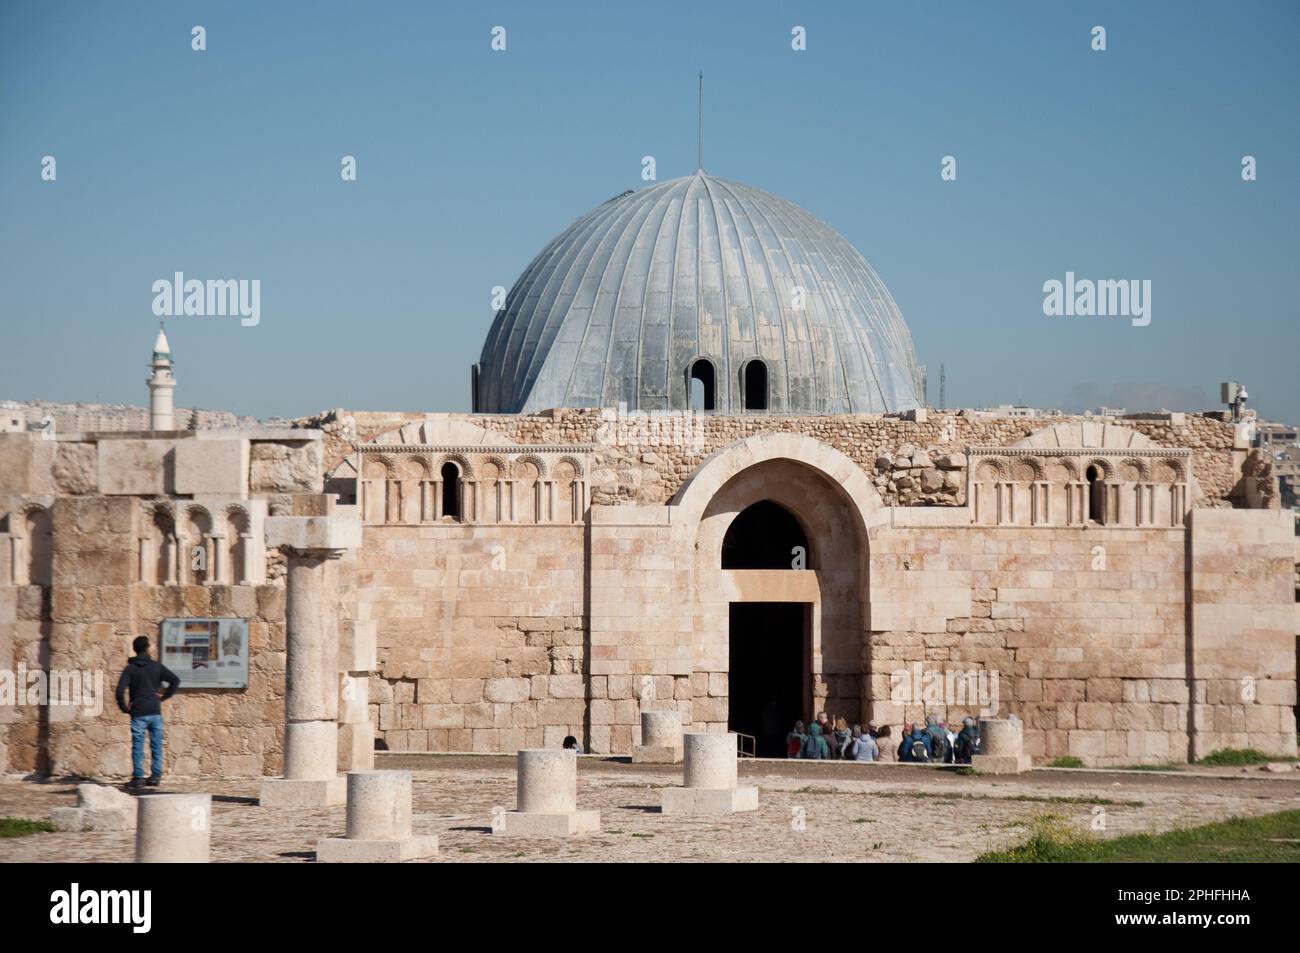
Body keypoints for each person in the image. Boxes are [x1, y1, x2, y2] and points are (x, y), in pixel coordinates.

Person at [115, 635, 180, 791]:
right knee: (156, 745)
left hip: (138, 712)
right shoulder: (156, 666)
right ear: (147, 648)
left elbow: (119, 690)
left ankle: (138, 778)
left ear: (135, 649)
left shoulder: (130, 669)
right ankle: (155, 776)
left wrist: (124, 708)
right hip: (154, 711)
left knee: (138, 746)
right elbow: (175, 680)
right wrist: (164, 697)